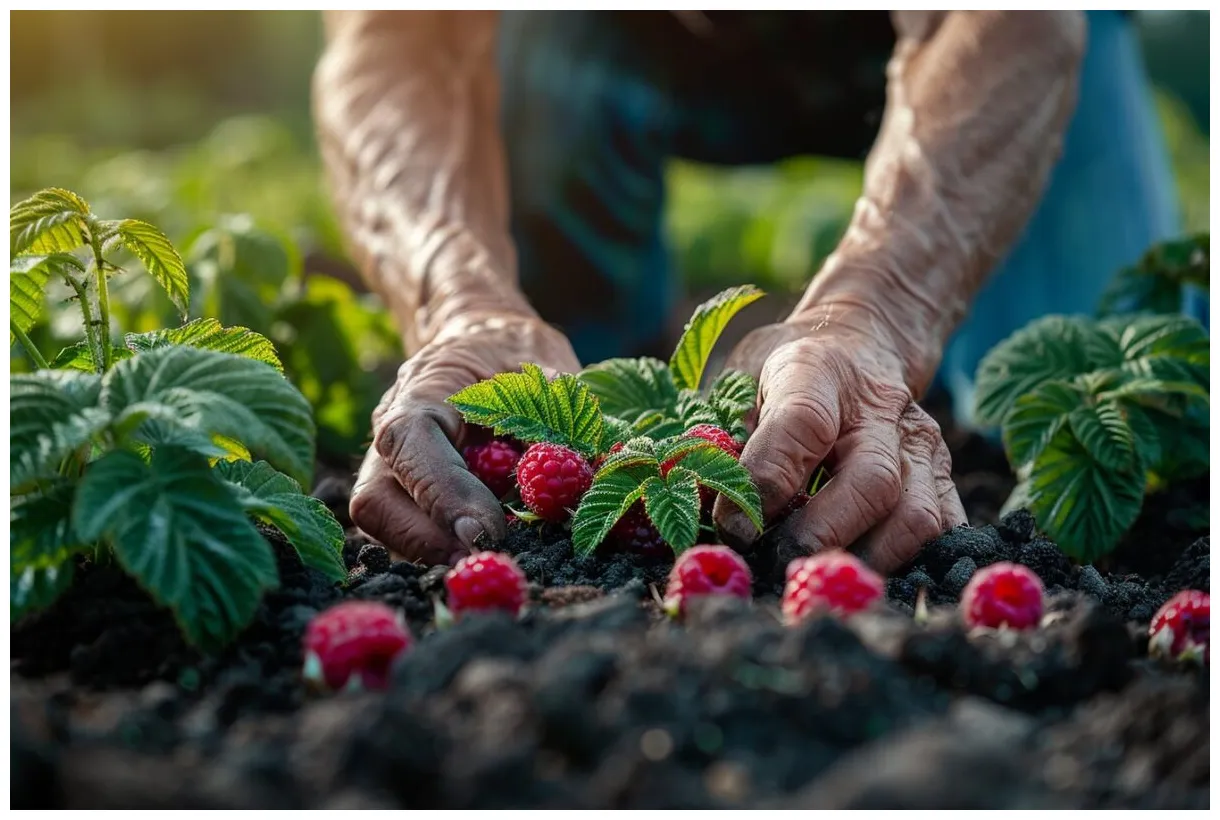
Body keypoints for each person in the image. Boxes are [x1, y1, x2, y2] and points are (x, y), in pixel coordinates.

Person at [313, 11, 1185, 572]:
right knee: (528, 433)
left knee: (1100, 412)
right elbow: (388, 38)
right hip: (607, 39)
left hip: (980, 42)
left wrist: (875, 316)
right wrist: (464, 303)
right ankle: (617, 456)